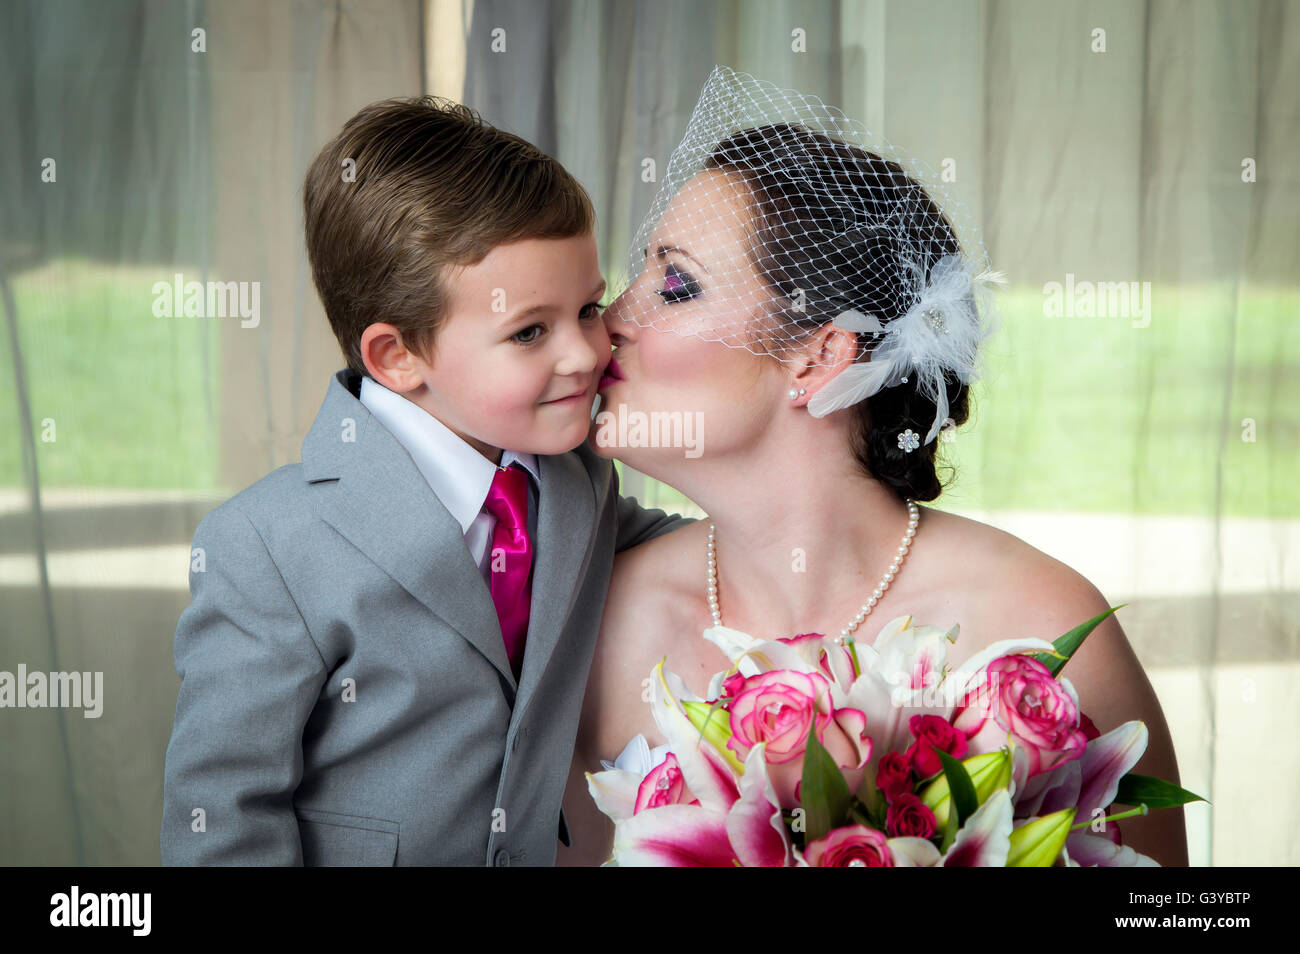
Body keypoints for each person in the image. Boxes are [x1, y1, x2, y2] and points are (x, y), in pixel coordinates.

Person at [558, 67, 1187, 867]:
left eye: (675, 285)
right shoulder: (602, 625)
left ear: (819, 355)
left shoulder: (1039, 631)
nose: (609, 323)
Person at [160, 95, 692, 866]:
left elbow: (692, 548)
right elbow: (224, 815)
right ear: (396, 357)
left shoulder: (576, 480)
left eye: (589, 307)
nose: (585, 353)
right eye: (530, 331)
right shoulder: (267, 546)